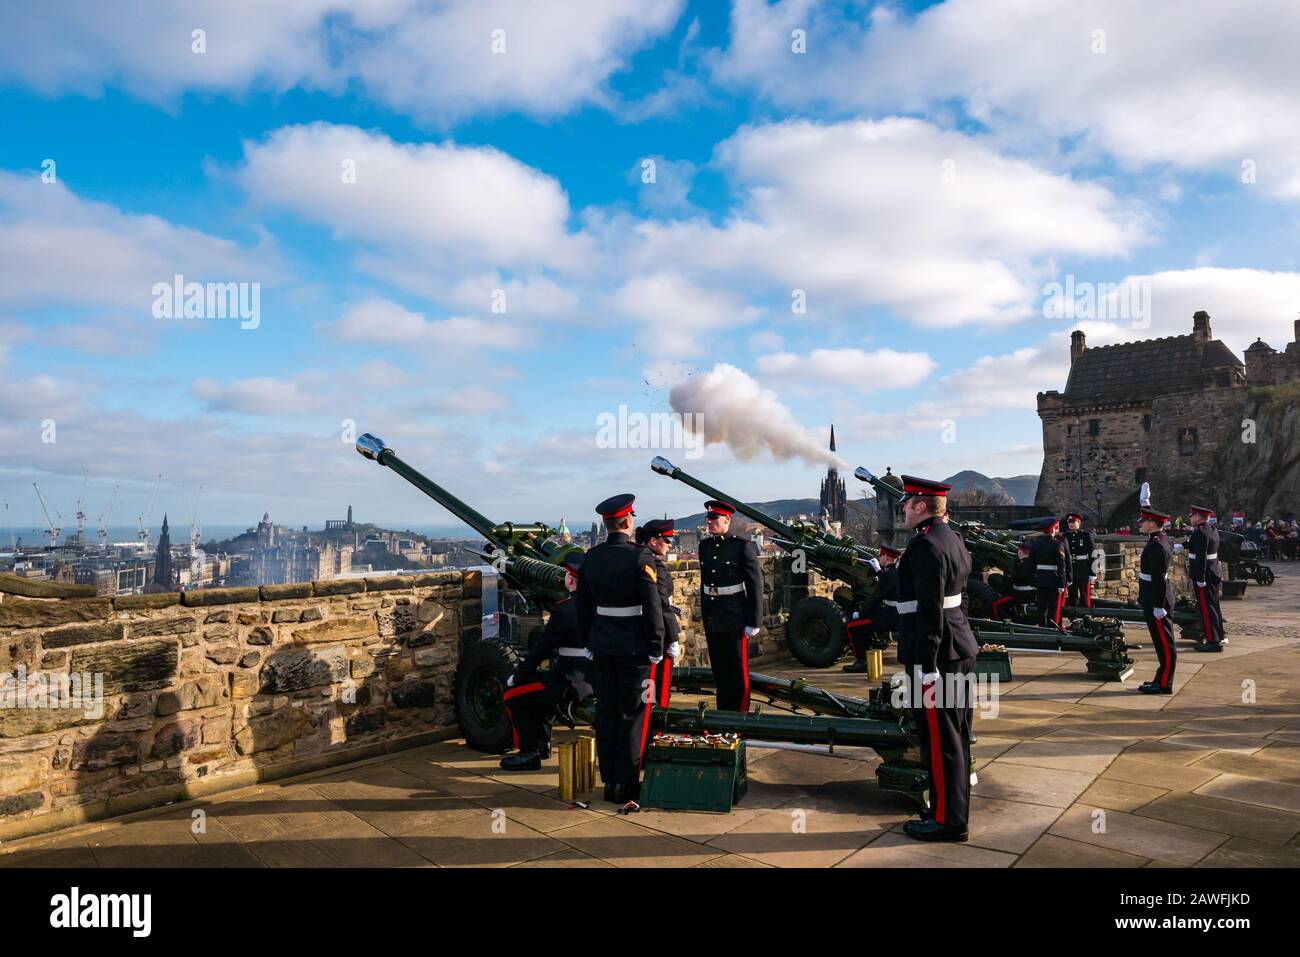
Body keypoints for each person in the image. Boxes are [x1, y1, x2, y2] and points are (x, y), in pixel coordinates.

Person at [894, 476, 978, 843]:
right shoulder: (952, 538)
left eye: (907, 502)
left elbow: (929, 611)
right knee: (956, 735)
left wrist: (926, 666)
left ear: (922, 506)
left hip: (937, 656)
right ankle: (951, 810)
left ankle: (947, 821)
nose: (903, 508)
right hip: (958, 647)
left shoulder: (925, 546)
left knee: (940, 738)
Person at [575, 493, 665, 808]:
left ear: (606, 523)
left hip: (601, 646)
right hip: (635, 649)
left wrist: (588, 641)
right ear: (628, 522)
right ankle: (627, 785)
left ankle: (609, 781)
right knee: (633, 716)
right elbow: (653, 608)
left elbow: (582, 606)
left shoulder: (592, 557)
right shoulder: (641, 557)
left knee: (607, 712)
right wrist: (656, 646)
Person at [500, 551, 588, 771]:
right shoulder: (600, 605)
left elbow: (542, 650)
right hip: (594, 678)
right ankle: (542, 745)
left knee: (515, 696)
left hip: (570, 682)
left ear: (569, 579)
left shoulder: (566, 610)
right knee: (541, 690)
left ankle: (529, 752)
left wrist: (517, 676)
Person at [698, 500, 763, 712]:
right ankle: (724, 713)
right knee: (719, 670)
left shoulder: (742, 546)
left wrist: (754, 620)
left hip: (735, 617)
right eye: (708, 519)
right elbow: (705, 584)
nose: (710, 522)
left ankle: (739, 716)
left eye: (714, 518)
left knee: (737, 670)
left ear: (727, 520)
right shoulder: (704, 547)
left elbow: (755, 585)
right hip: (714, 617)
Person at [635, 518, 680, 712]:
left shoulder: (636, 559)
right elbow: (661, 604)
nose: (670, 545)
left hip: (638, 632)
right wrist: (673, 638)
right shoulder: (656, 567)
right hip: (658, 634)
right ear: (653, 541)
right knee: (659, 690)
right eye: (667, 540)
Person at [842, 545, 901, 672]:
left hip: (890, 617)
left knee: (852, 627)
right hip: (893, 614)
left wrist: (861, 614)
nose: (879, 558)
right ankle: (868, 654)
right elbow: (886, 580)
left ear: (886, 557)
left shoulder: (890, 574)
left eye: (881, 556)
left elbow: (875, 598)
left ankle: (862, 661)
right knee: (864, 625)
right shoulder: (895, 571)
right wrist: (879, 571)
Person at [1137, 506, 1177, 694]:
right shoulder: (1160, 539)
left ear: (1152, 524)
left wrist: (1158, 606)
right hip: (1152, 597)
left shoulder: (1157, 546)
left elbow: (1159, 578)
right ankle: (1161, 678)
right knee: (1160, 642)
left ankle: (1164, 683)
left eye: (1144, 521)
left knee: (1165, 644)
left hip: (1157, 599)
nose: (1140, 524)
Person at [1187, 505, 1225, 652]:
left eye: (1192, 515)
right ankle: (1218, 636)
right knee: (1214, 606)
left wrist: (1200, 577)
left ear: (1198, 516)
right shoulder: (1211, 529)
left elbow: (1201, 556)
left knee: (1206, 608)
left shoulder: (1200, 532)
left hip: (1204, 575)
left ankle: (1213, 641)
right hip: (1213, 571)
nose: (1190, 518)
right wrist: (1182, 545)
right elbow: (1199, 546)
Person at [1028, 516, 1068, 630]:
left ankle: (1042, 627)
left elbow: (1031, 564)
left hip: (1040, 579)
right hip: (1053, 580)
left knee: (1041, 606)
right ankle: (1052, 628)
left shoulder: (1036, 543)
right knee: (1053, 607)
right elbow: (1062, 565)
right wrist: (1062, 583)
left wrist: (1032, 580)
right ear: (1053, 529)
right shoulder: (1057, 544)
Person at [991, 537, 1035, 621]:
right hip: (1031, 594)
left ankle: (998, 624)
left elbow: (1013, 580)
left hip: (1020, 595)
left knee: (996, 605)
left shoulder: (1020, 564)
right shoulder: (1033, 562)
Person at [1063, 513, 1096, 608]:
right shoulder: (1065, 536)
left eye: (1073, 522)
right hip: (1070, 569)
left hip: (1083, 569)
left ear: (1079, 523)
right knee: (1072, 596)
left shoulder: (1085, 536)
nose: (1071, 524)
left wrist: (1093, 572)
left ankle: (1085, 617)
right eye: (1069, 522)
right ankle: (1073, 618)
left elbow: (1092, 554)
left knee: (1084, 595)